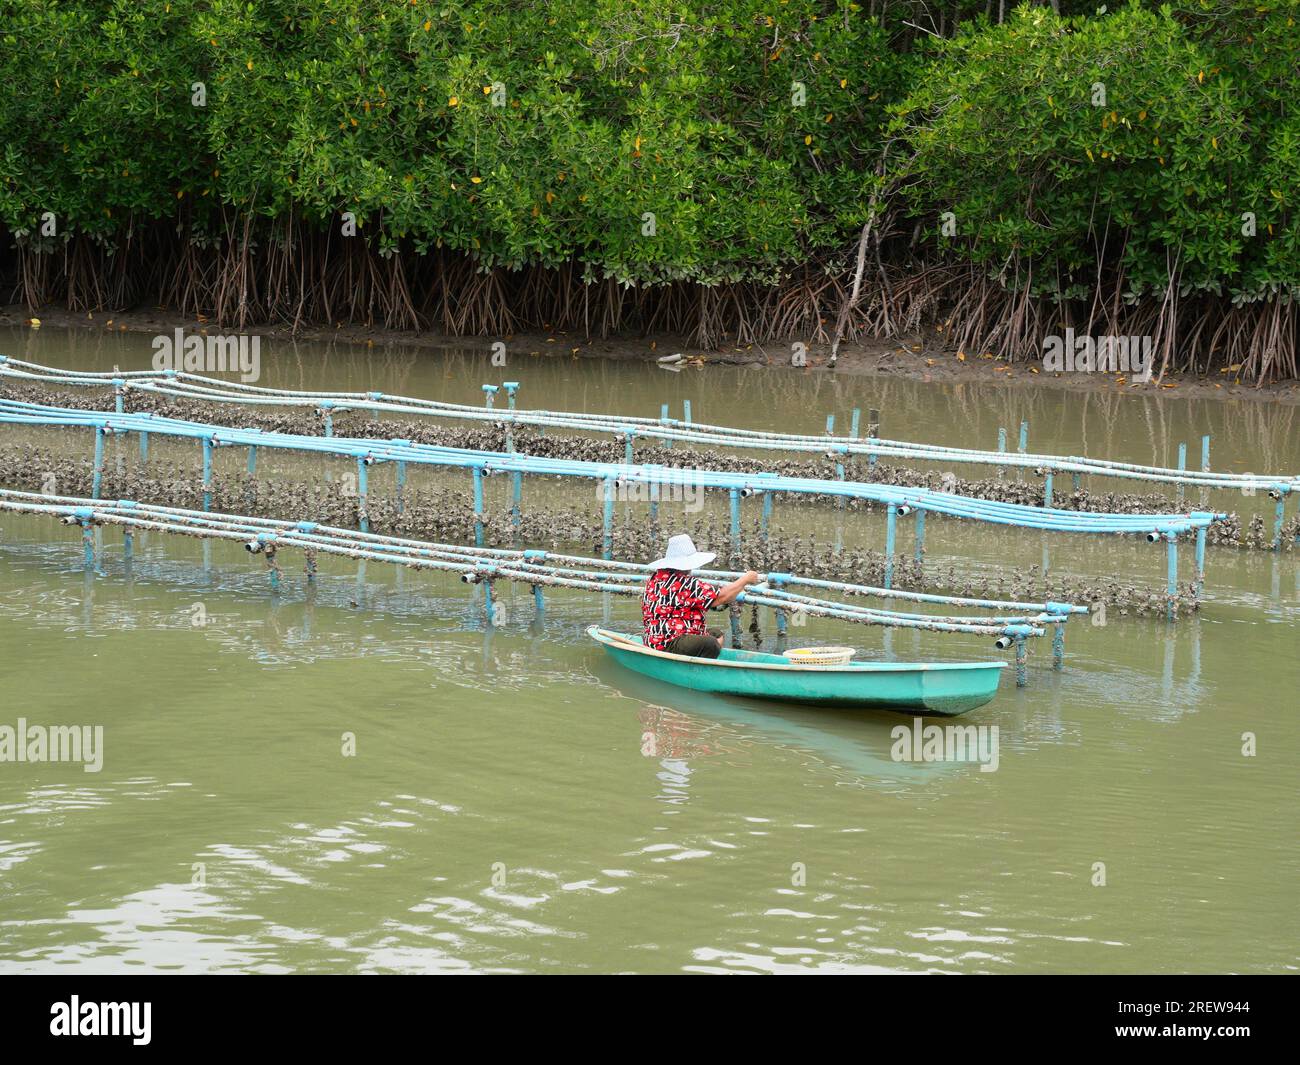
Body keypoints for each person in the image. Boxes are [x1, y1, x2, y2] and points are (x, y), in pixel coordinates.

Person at [641, 534, 762, 658]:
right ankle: (697, 669)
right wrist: (746, 579)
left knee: (716, 634)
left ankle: (698, 661)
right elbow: (722, 597)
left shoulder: (655, 578)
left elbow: (713, 597)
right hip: (667, 643)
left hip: (655, 639)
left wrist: (737, 587)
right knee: (710, 643)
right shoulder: (685, 583)